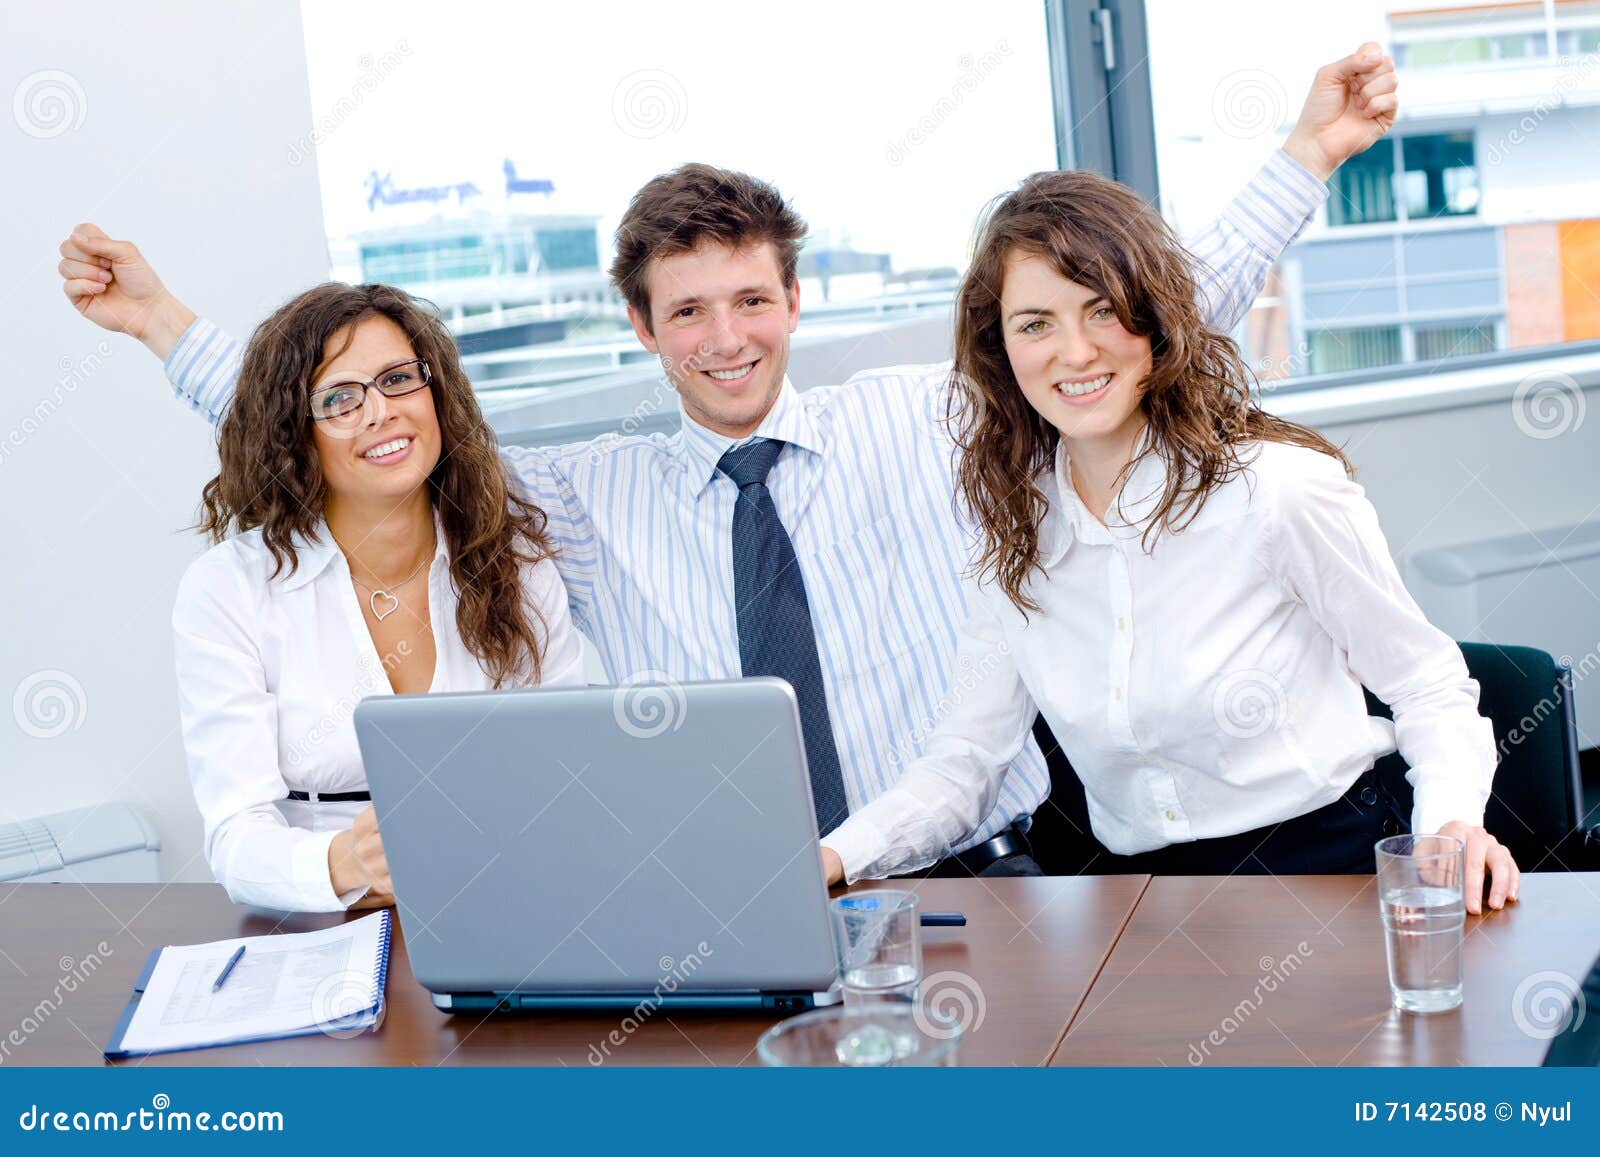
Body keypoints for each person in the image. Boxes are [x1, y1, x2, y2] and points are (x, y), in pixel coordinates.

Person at [58, 47, 1399, 885]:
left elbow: (1129, 322)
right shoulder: (591, 498)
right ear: (641, 328)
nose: (725, 337)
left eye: (750, 299)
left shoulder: (924, 419)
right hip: (747, 905)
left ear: (796, 300)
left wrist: (1304, 157)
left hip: (991, 870)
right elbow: (366, 426)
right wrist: (166, 326)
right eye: (687, 311)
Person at [833, 162, 1519, 911]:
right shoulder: (1017, 535)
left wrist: (1451, 825)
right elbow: (963, 762)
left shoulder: (1277, 491)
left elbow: (1425, 682)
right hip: (1139, 901)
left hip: (1322, 868)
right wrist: (833, 857)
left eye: (1102, 310)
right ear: (1001, 352)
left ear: (1154, 325)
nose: (1076, 351)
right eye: (1036, 323)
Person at [171, 282, 585, 912]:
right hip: (328, 931)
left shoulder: (518, 560)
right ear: (294, 433)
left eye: (397, 379)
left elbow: (570, 771)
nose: (380, 412)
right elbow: (235, 837)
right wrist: (345, 862)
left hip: (511, 900)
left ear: (436, 395)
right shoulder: (228, 588)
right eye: (339, 398)